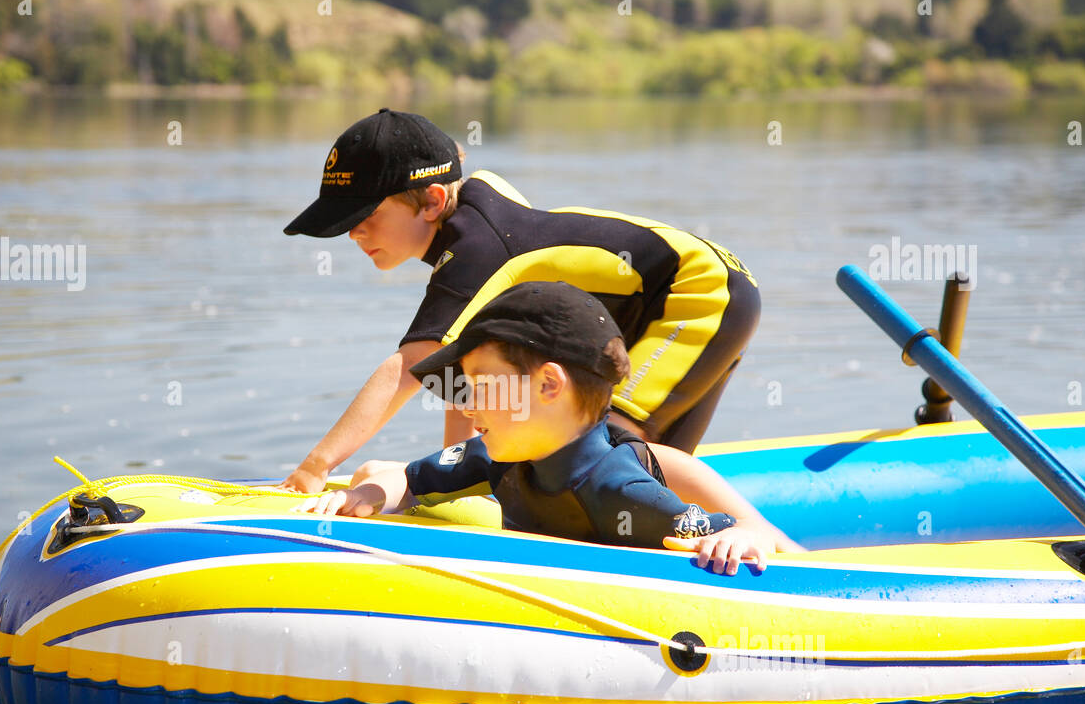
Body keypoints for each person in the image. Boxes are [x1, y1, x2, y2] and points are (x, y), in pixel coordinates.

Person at [279, 108, 761, 497]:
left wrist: (315, 466)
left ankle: (758, 541)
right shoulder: (476, 221)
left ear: (429, 202)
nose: (354, 232)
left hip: (698, 292)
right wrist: (456, 485)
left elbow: (408, 368)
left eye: (367, 215)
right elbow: (462, 375)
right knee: (644, 470)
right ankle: (688, 529)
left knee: (605, 446)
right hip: (697, 290)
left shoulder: (477, 249)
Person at [295, 282, 796, 574]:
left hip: (660, 469)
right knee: (374, 470)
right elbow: (411, 478)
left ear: (549, 386)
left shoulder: (620, 491)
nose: (468, 409)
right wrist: (369, 495)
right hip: (624, 455)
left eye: (482, 386)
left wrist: (739, 538)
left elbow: (742, 532)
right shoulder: (497, 456)